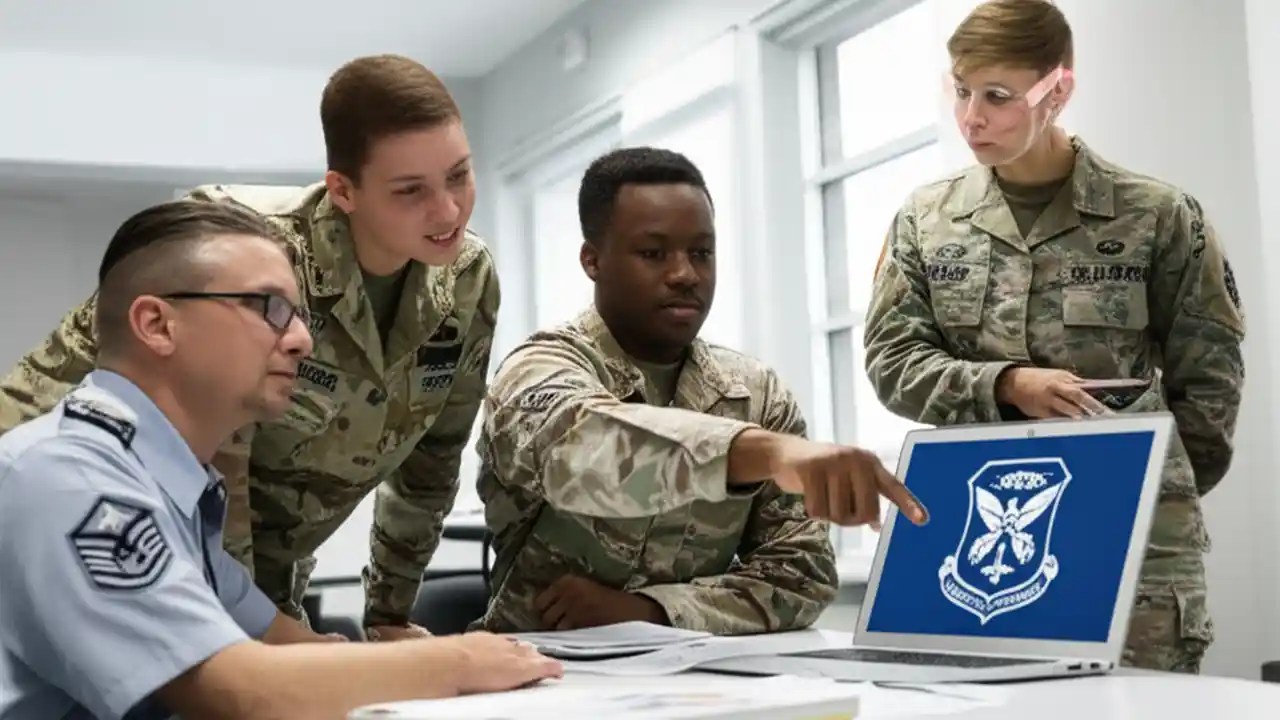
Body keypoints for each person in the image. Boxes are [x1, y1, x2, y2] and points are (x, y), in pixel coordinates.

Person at [0, 54, 499, 639]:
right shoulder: (242, 248)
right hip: (155, 559)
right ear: (343, 190)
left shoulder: (467, 279)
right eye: (410, 190)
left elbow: (432, 460)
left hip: (267, 577)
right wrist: (250, 633)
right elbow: (42, 402)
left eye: (460, 176)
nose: (447, 210)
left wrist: (388, 614)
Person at [0, 200, 561, 720]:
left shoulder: (167, 486)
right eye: (268, 308)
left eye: (297, 315)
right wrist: (459, 662)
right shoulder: (70, 477)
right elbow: (242, 688)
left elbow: (285, 645)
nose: (301, 341)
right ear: (157, 324)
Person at [863, 0, 1245, 673]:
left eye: (997, 96)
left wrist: (1144, 490)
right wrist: (1004, 386)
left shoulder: (1156, 215)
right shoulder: (926, 220)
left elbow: (1209, 389)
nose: (970, 116)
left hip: (1125, 533)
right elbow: (892, 361)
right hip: (972, 535)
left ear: (1058, 90)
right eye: (960, 89)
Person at [472, 147, 929, 634]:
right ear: (593, 260)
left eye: (701, 253)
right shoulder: (538, 369)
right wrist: (771, 453)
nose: (685, 274)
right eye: (653, 253)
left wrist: (650, 609)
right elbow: (588, 449)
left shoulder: (755, 394)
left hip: (703, 681)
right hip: (538, 672)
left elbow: (802, 577)